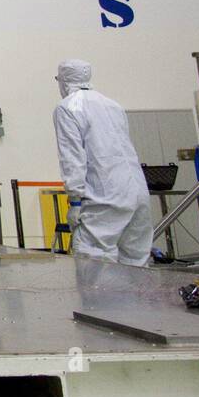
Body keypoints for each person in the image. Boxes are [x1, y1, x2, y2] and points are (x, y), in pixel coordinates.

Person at [52, 59, 152, 266]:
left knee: (94, 264)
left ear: (63, 81)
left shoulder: (67, 108)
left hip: (105, 197)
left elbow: (72, 157)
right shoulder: (113, 105)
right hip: (137, 192)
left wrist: (75, 200)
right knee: (136, 264)